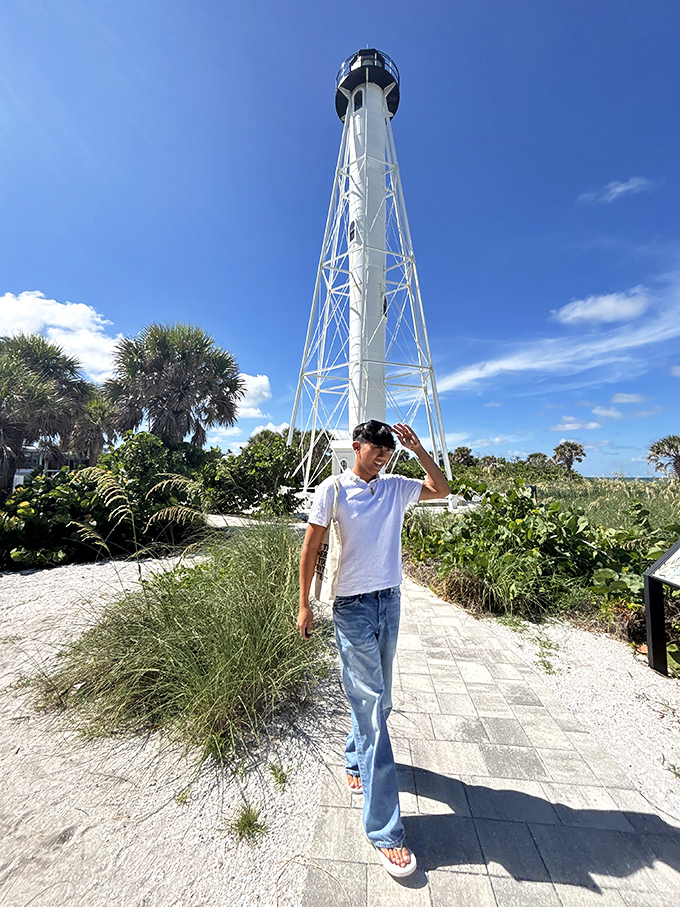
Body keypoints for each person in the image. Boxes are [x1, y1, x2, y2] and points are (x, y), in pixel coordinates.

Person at [297, 420, 450, 877]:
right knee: (373, 706)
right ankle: (385, 830)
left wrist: (418, 448)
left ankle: (353, 761)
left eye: (389, 449)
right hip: (352, 607)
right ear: (356, 447)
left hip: (391, 601)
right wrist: (303, 605)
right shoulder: (334, 490)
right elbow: (310, 549)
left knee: (376, 700)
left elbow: (439, 489)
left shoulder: (396, 487)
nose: (383, 455)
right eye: (376, 448)